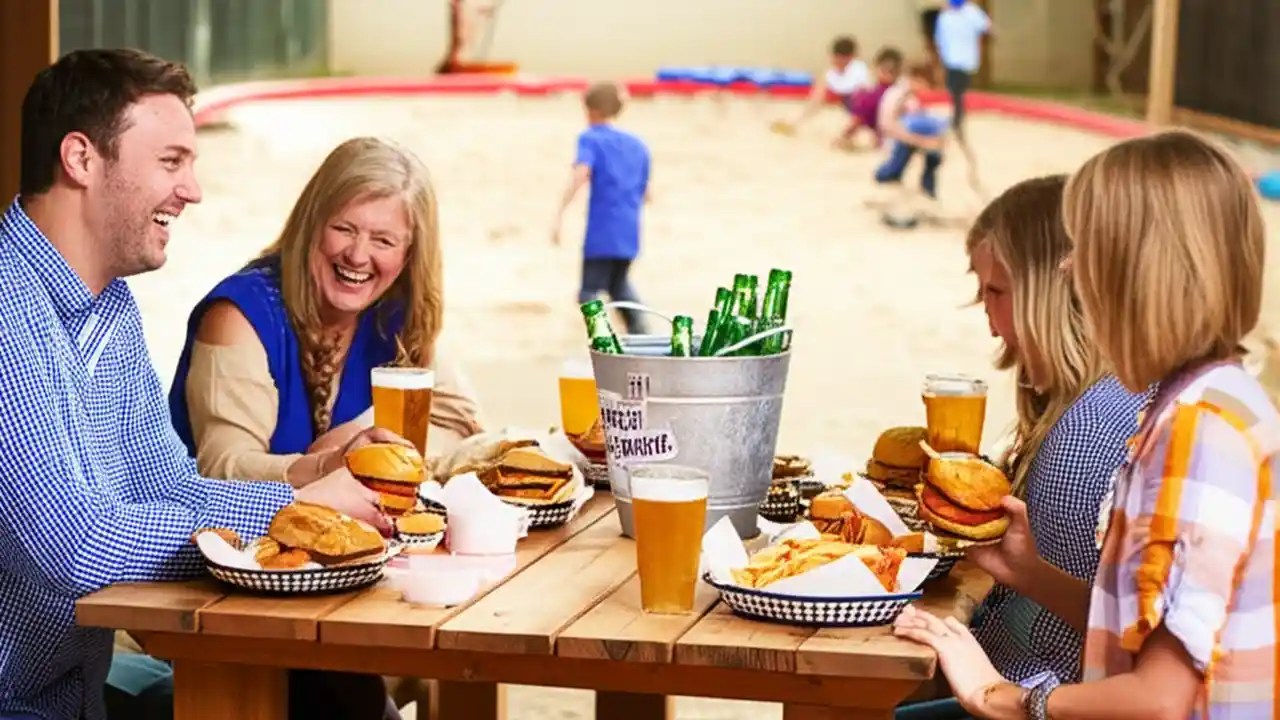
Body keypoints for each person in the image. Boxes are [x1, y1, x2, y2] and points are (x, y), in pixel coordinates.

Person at [0, 48, 396, 720]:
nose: (193, 190)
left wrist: (304, 489)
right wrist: (285, 519)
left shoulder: (106, 307)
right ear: (81, 159)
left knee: (335, 693)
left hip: (74, 697)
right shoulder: (9, 310)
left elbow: (168, 485)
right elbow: (76, 546)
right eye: (171, 161)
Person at [895, 130, 1276, 719]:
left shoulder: (1199, 432)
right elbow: (1153, 639)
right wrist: (1031, 574)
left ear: (1141, 273)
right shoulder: (1206, 404)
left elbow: (1159, 701)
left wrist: (1006, 699)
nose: (1069, 269)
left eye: (1089, 248)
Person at [895, 176, 1150, 720]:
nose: (988, 319)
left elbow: (1116, 645)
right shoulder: (1090, 404)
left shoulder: (1091, 427)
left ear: (1051, 289)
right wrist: (1023, 570)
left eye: (996, 292)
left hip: (1041, 696)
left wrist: (987, 686)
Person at [168, 136, 484, 486]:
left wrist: (363, 428)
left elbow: (462, 421)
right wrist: (328, 464)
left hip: (358, 536)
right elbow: (225, 469)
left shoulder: (393, 315)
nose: (358, 256)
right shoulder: (238, 317)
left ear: (408, 255)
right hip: (229, 537)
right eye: (344, 229)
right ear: (310, 225)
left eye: (384, 241)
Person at [551, 81, 652, 336]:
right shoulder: (637, 145)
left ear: (592, 110)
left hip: (602, 230)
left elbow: (581, 174)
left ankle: (603, 342)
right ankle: (641, 334)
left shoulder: (591, 138)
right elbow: (647, 192)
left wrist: (560, 213)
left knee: (589, 293)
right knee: (619, 286)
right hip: (629, 229)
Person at [772, 36, 874, 147]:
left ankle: (854, 136)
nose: (837, 61)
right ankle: (795, 123)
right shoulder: (831, 73)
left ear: (849, 58)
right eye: (836, 58)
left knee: (860, 104)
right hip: (851, 105)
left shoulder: (859, 70)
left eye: (841, 59)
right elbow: (816, 100)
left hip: (865, 109)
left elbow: (866, 102)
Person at [873, 61, 948, 202]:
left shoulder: (910, 96)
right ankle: (891, 173)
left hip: (905, 138)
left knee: (935, 127)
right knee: (926, 128)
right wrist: (921, 141)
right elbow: (887, 126)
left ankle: (927, 183)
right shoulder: (896, 95)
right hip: (895, 140)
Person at [935, 0, 992, 137]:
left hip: (962, 59)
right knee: (956, 90)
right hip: (954, 59)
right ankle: (957, 117)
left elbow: (986, 26)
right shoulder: (948, 15)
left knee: (957, 90)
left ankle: (957, 119)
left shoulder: (969, 12)